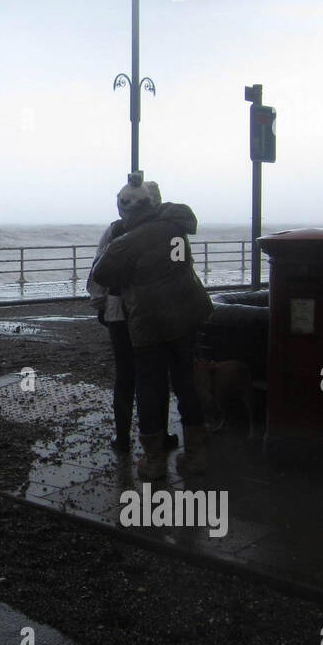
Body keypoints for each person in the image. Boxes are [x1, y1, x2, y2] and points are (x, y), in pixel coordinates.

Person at [89, 176, 213, 480]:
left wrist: (131, 277)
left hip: (149, 323)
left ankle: (155, 461)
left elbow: (102, 273)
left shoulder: (125, 243)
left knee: (150, 388)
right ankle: (196, 455)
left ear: (124, 210)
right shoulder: (175, 230)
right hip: (185, 317)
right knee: (186, 384)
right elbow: (181, 265)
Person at [88, 181, 175, 455]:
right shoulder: (166, 231)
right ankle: (159, 434)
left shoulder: (114, 231)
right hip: (156, 311)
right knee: (156, 375)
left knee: (125, 376)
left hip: (119, 313)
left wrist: (100, 305)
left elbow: (97, 271)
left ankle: (123, 437)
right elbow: (178, 269)